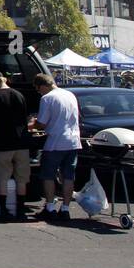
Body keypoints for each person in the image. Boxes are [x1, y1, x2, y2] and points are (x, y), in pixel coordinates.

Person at [0, 70, 33, 221]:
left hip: (3, 142)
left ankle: (4, 211)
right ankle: (21, 211)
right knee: (22, 179)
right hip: (21, 142)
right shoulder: (19, 95)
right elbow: (28, 119)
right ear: (5, 80)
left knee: (3, 177)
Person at [31, 72, 81, 222]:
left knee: (48, 176)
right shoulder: (70, 94)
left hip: (55, 142)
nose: (39, 92)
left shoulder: (47, 98)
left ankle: (50, 207)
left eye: (38, 89)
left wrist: (32, 123)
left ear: (43, 86)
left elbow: (42, 123)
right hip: (73, 141)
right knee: (68, 176)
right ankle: (65, 209)